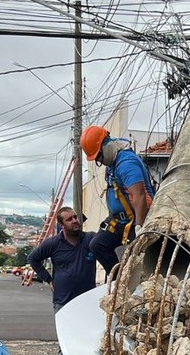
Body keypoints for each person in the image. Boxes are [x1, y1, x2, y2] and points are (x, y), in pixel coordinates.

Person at [80, 125, 156, 274]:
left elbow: (139, 197)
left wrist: (139, 229)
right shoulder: (113, 160)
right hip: (119, 221)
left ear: (105, 145)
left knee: (133, 258)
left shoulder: (126, 164)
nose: (101, 162)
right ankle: (117, 279)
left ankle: (126, 280)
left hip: (135, 220)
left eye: (99, 157)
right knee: (97, 245)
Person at [25, 207, 96, 311]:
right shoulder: (53, 243)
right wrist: (48, 279)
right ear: (61, 225)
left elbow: (106, 250)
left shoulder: (91, 239)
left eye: (75, 217)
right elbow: (32, 258)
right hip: (63, 301)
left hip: (88, 300)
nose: (75, 221)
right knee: (65, 328)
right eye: (69, 219)